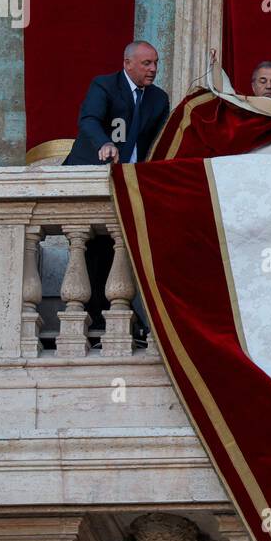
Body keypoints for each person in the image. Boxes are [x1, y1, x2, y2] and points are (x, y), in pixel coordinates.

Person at [63, 40, 170, 340]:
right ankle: (94, 319)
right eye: (147, 63)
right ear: (128, 63)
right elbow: (89, 121)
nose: (153, 69)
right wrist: (105, 144)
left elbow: (157, 141)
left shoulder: (159, 99)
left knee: (117, 245)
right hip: (91, 175)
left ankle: (114, 318)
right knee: (93, 247)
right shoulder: (105, 86)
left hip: (130, 181)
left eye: (156, 63)